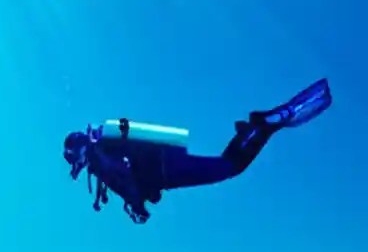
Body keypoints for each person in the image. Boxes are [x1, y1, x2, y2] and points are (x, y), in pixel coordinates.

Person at [63, 78, 332, 223]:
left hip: (169, 170)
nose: (73, 164)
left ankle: (262, 126)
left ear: (80, 151)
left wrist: (138, 208)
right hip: (167, 163)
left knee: (230, 168)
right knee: (226, 165)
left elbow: (123, 177)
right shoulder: (102, 153)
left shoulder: (99, 161)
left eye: (71, 157)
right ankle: (251, 131)